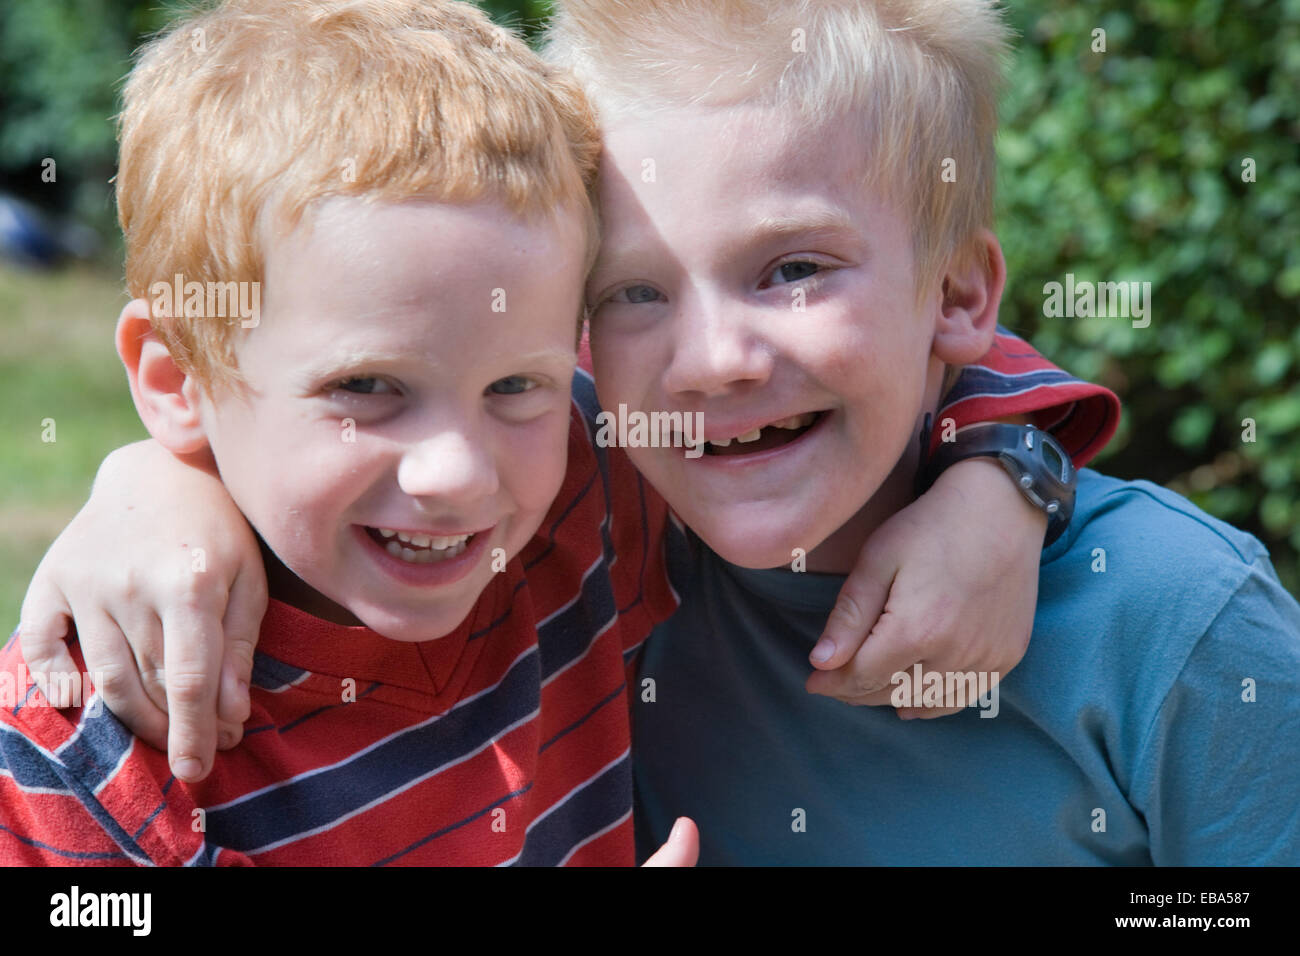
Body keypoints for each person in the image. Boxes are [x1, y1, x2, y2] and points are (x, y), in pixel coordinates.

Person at [8, 0, 1124, 866]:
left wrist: (1000, 474)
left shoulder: (576, 506)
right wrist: (150, 478)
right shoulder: (82, 735)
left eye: (518, 384)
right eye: (367, 385)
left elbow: (901, 337)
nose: (456, 472)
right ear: (175, 376)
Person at [538, 0, 1300, 864]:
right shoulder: (584, 575)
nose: (713, 362)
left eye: (793, 270)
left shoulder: (1179, 620)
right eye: (632, 291)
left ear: (956, 296)